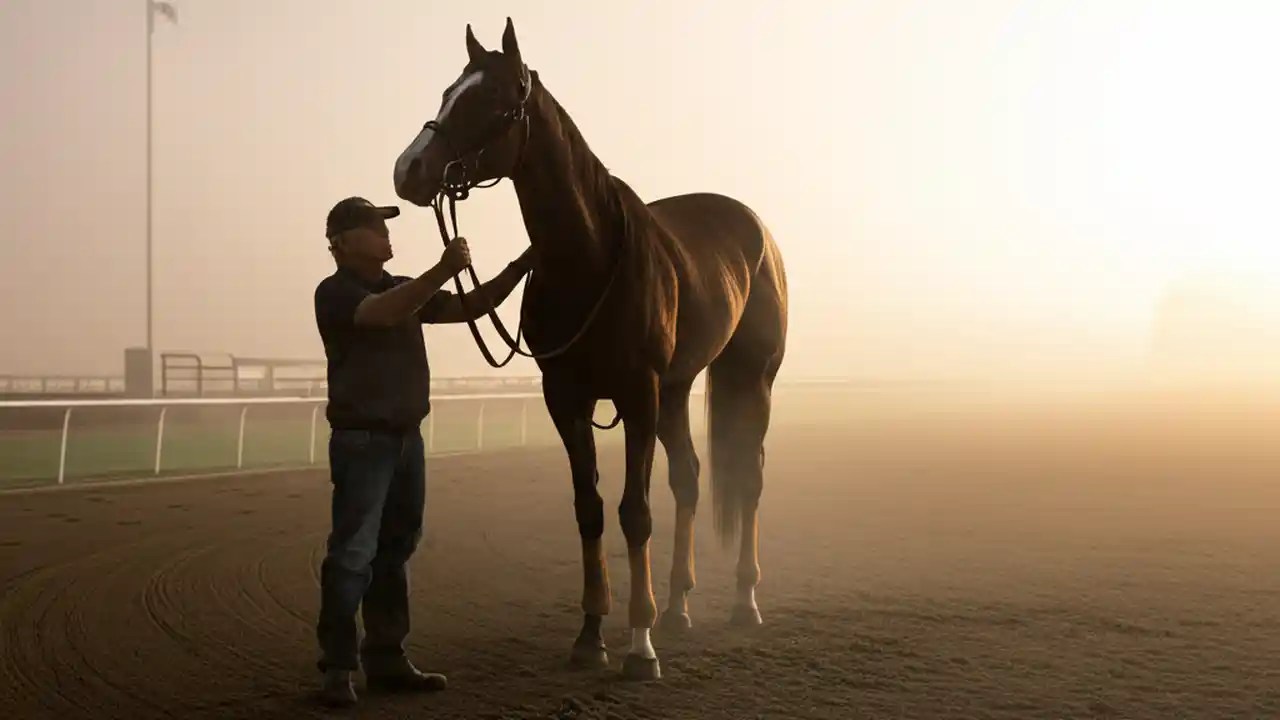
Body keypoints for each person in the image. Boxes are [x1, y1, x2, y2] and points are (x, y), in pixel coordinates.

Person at [312, 196, 531, 707]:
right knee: (353, 554)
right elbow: (383, 314)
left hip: (406, 439)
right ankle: (338, 668)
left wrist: (520, 266)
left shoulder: (399, 288)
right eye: (372, 226)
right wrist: (443, 268)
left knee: (394, 551)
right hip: (363, 441)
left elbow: (469, 307)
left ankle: (386, 658)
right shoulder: (337, 293)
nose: (385, 233)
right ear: (342, 243)